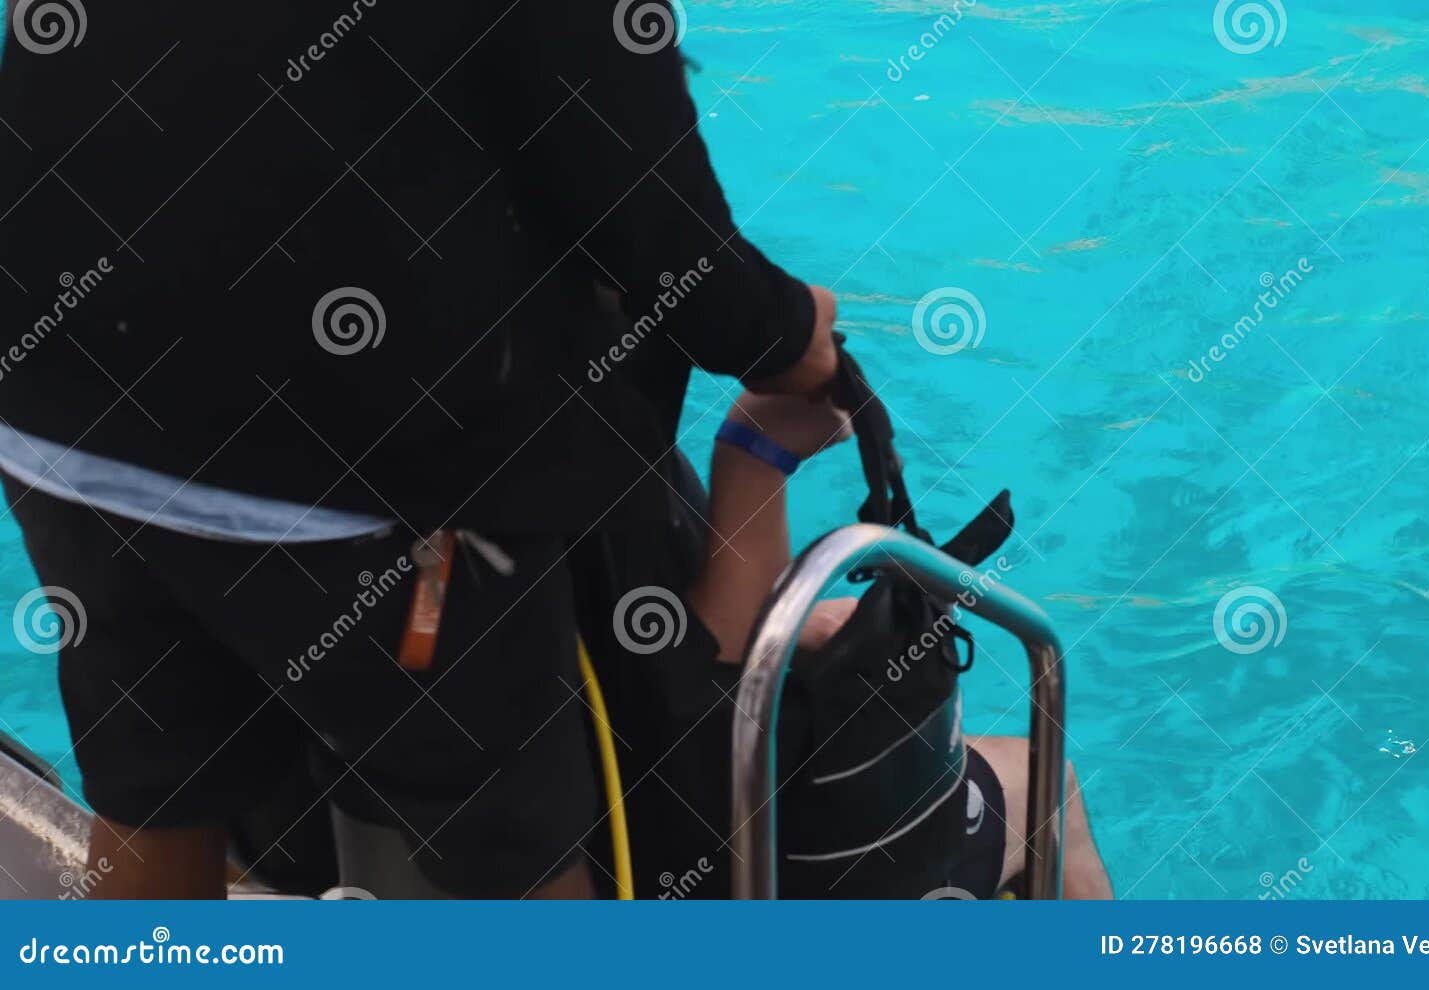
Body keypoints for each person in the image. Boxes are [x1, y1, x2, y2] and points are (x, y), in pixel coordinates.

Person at [0, 4, 839, 897]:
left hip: (57, 414)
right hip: (367, 479)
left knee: (153, 800)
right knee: (512, 866)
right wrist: (795, 342)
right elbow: (664, 232)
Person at [596, 385, 1114, 899]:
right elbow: (703, 694)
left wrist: (811, 623)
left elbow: (662, 646)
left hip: (644, 821)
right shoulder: (605, 466)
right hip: (761, 854)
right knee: (1049, 786)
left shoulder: (549, 465)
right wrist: (756, 452)